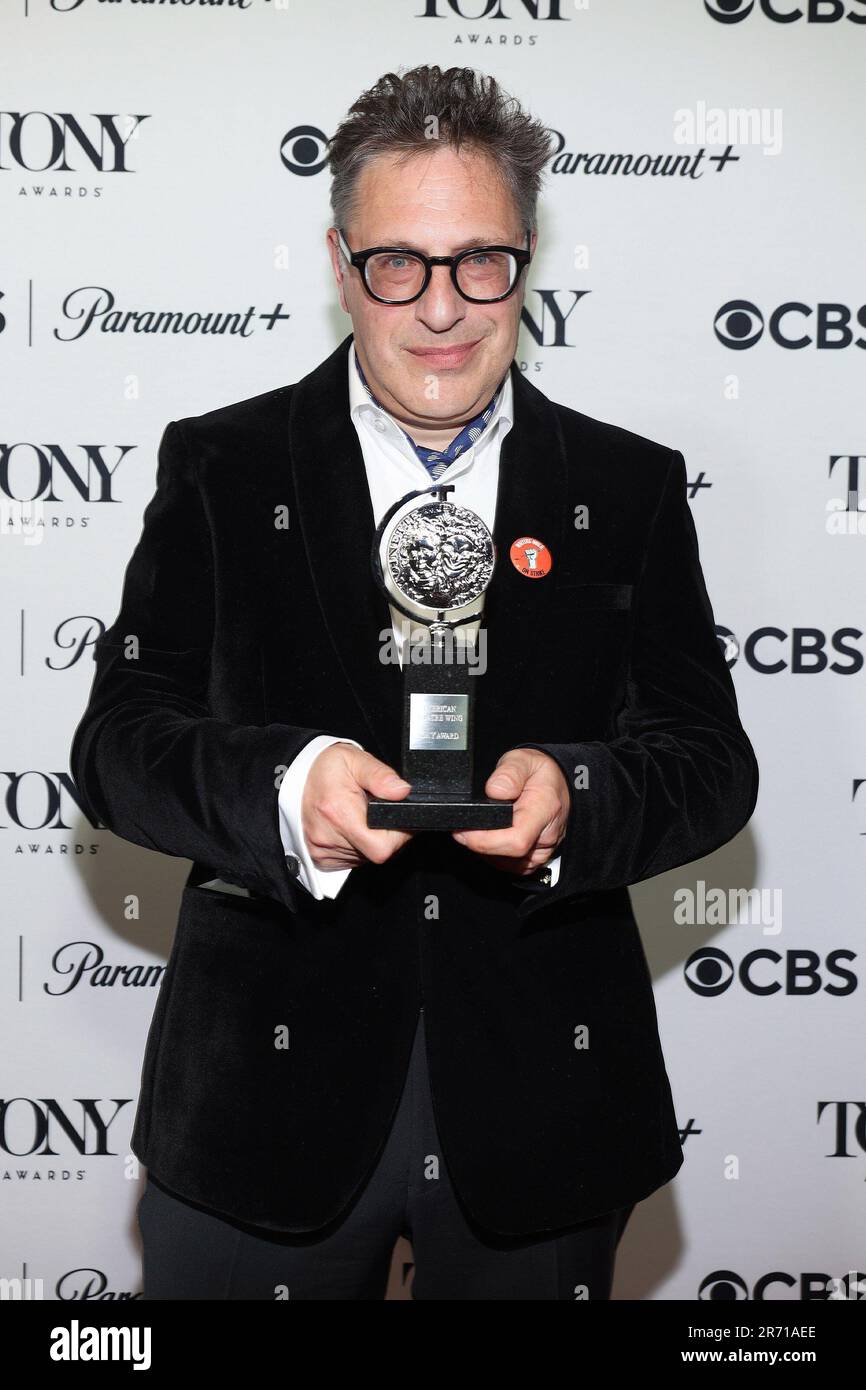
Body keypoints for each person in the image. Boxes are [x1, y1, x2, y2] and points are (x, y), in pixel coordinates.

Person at [70, 65, 759, 1300]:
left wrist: (578, 793)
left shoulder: (632, 486)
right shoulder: (222, 468)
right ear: (340, 264)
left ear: (526, 258)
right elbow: (120, 741)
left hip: (543, 1100)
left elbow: (709, 760)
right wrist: (286, 784)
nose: (440, 308)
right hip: (258, 1112)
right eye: (397, 262)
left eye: (477, 261)